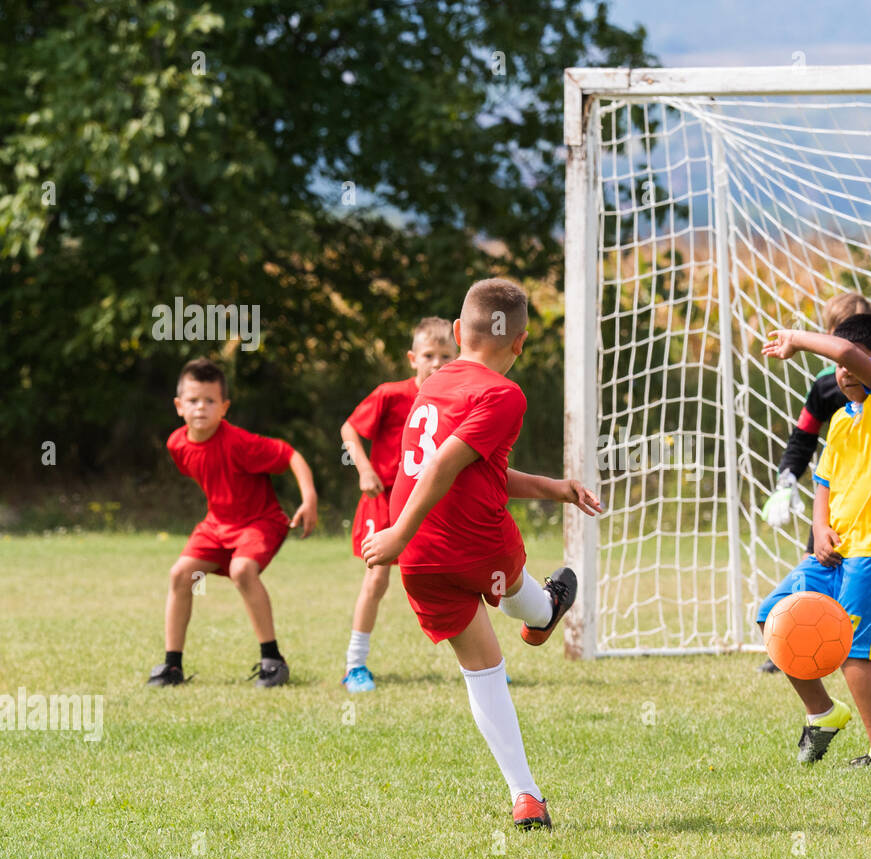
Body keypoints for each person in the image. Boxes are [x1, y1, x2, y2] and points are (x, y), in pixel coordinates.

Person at [362, 278, 601, 829]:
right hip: (470, 540)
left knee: (485, 672)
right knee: (527, 604)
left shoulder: (434, 381)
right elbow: (444, 464)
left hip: (421, 555)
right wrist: (395, 532)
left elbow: (466, 467)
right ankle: (545, 612)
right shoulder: (504, 393)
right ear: (519, 344)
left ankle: (527, 796)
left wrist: (554, 486)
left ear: (453, 333)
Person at [758, 313, 871, 768]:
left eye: (855, 363)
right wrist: (821, 529)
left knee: (853, 651)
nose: (843, 372)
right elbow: (824, 485)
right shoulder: (842, 423)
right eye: (838, 367)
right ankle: (823, 713)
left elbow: (846, 353)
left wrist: (796, 339)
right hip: (834, 551)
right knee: (772, 617)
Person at [152, 358, 317, 688]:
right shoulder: (177, 444)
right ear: (179, 406)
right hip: (218, 524)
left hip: (261, 522)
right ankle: (172, 667)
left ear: (224, 407)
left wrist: (309, 498)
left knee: (242, 571)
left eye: (210, 401)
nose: (201, 408)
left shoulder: (239, 443)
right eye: (193, 400)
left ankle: (273, 661)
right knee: (181, 575)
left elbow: (290, 455)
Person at [339, 318, 457, 692]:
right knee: (377, 578)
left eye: (445, 356)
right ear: (412, 358)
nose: (437, 363)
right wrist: (364, 469)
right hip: (384, 499)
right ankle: (355, 666)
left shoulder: (455, 398)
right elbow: (349, 429)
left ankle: (482, 664)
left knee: (454, 577)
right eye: (428, 355)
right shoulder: (391, 394)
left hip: (427, 502)